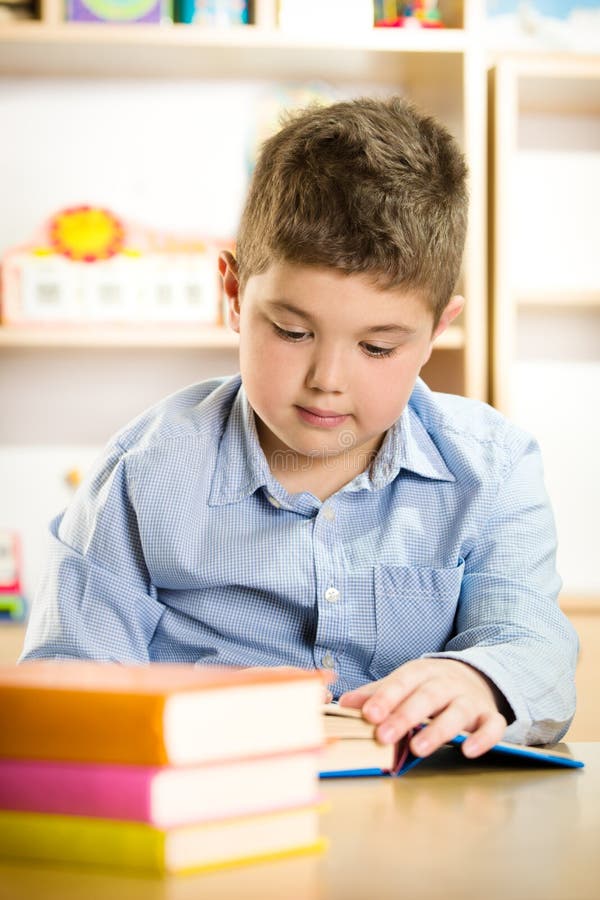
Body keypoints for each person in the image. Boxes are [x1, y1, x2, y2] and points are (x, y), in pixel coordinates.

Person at [21, 97, 577, 759]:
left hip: (421, 826)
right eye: (292, 331)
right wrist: (181, 712)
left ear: (437, 331)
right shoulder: (145, 472)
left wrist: (480, 678)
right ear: (233, 295)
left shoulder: (493, 468)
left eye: (378, 348)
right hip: (216, 815)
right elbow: (68, 678)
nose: (328, 380)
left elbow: (534, 648)